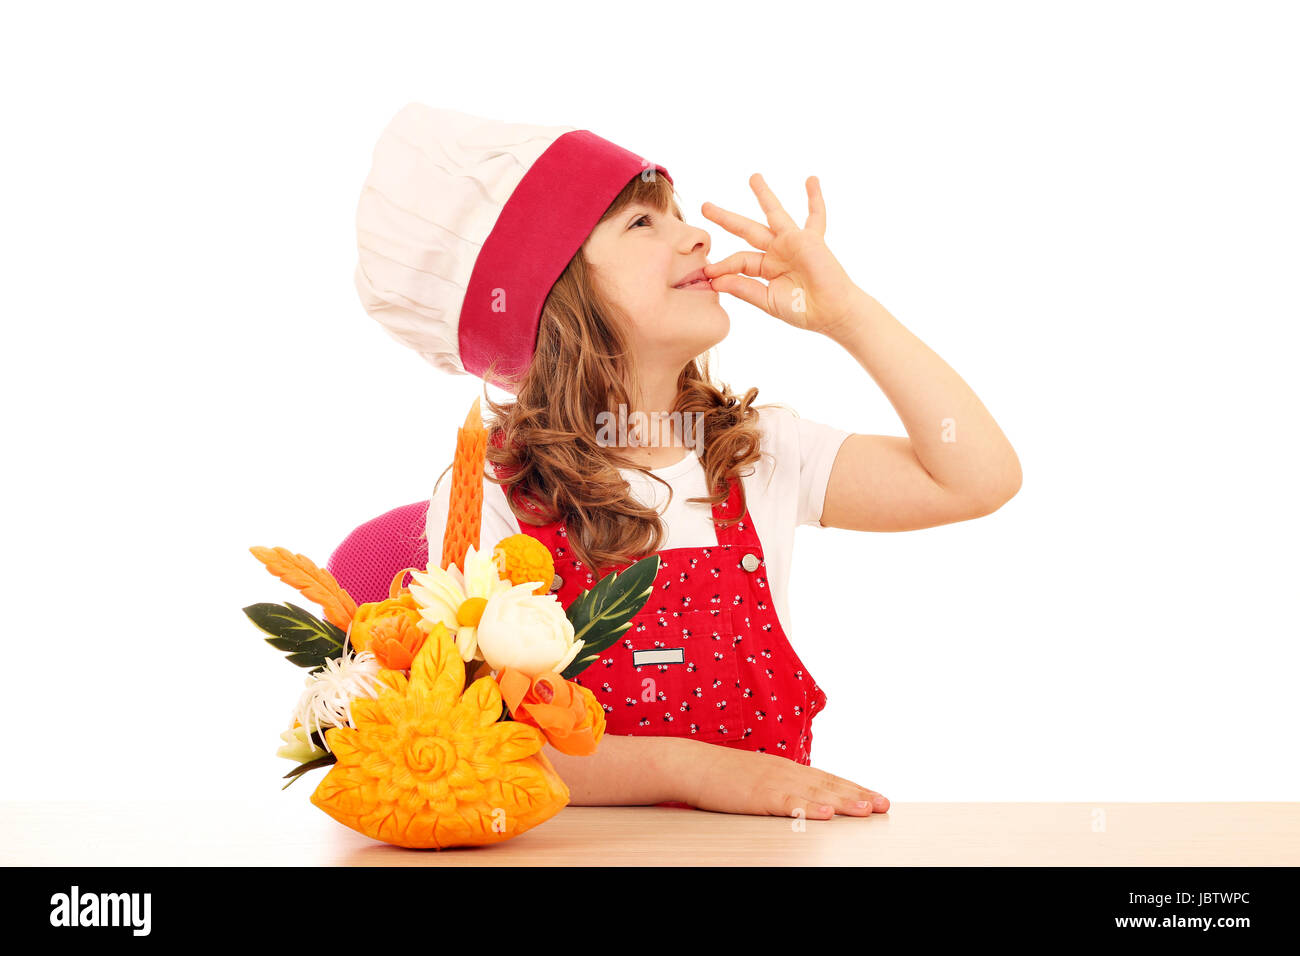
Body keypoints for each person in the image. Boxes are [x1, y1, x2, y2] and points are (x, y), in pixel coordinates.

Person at [354, 103, 1022, 822]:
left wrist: (846, 314)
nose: (699, 237)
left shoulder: (758, 455)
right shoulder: (491, 490)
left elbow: (976, 478)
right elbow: (479, 737)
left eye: (679, 216)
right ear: (552, 297)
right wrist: (698, 771)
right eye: (644, 223)